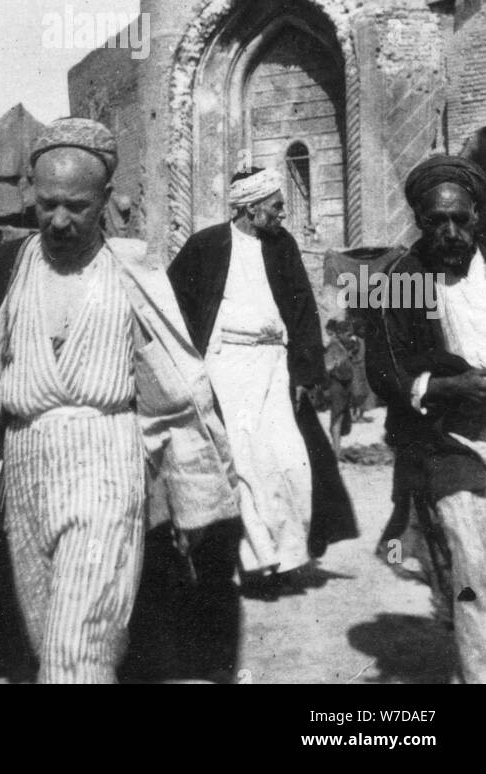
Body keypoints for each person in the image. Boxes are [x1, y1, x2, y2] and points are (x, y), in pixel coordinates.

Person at [0, 118, 240, 686]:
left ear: (104, 202)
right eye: (47, 205)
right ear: (32, 197)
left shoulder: (135, 274)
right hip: (26, 465)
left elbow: (176, 390)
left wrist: (189, 493)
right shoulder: (5, 270)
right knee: (52, 638)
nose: (60, 220)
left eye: (76, 206)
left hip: (106, 460)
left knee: (79, 648)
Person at [168, 166, 358, 594]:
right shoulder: (207, 245)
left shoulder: (282, 245)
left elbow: (303, 308)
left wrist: (303, 372)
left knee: (289, 460)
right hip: (226, 365)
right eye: (275, 207)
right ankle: (255, 564)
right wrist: (187, 361)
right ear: (251, 209)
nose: (282, 215)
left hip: (275, 364)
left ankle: (288, 557)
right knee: (244, 461)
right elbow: (172, 299)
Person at [366, 153, 486, 684]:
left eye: (461, 218)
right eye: (438, 221)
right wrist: (450, 387)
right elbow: (386, 373)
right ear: (419, 221)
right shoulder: (400, 278)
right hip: (448, 442)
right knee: (476, 572)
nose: (451, 232)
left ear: (477, 214)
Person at [324, 319, 354, 459]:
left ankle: (337, 449)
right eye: (348, 335)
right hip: (337, 385)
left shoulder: (342, 345)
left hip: (344, 384)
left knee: (340, 416)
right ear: (340, 333)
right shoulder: (334, 346)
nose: (351, 337)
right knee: (337, 418)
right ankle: (336, 451)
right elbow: (327, 367)